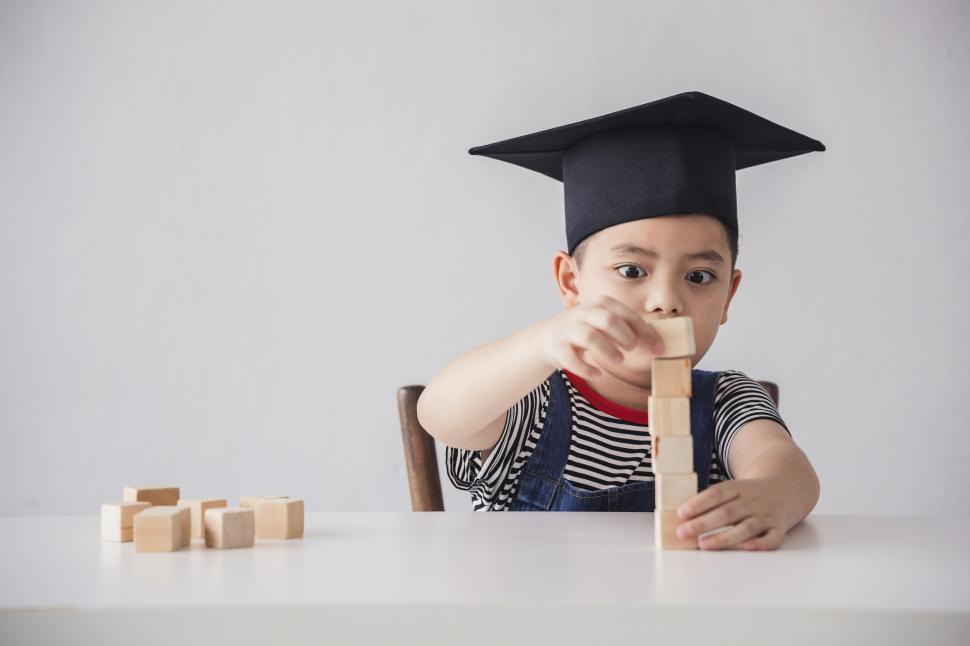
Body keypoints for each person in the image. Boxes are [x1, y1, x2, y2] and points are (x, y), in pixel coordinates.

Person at [416, 91, 822, 550]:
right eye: (632, 271)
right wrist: (541, 344)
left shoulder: (727, 402)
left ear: (728, 295)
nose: (666, 301)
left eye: (699, 276)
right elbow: (440, 415)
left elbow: (785, 464)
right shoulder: (532, 399)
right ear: (571, 283)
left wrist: (772, 495)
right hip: (532, 617)